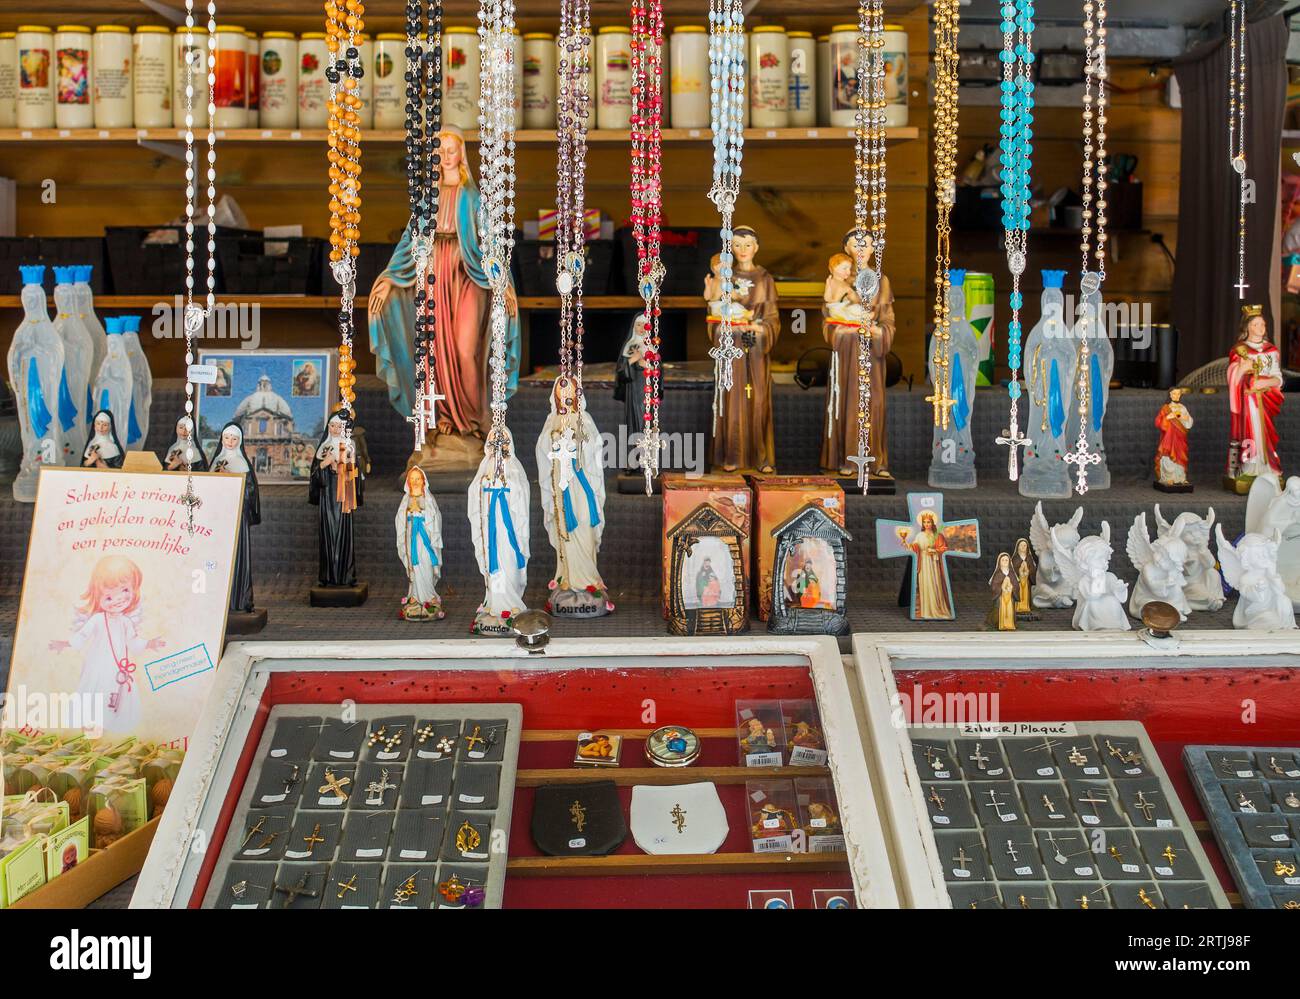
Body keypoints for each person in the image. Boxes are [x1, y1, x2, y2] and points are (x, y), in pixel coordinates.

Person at [367, 124, 520, 451]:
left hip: (469, 276)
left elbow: (492, 244)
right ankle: (443, 422)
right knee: (435, 353)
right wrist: (389, 279)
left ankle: (474, 419)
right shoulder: (427, 200)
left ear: (461, 154)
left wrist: (503, 283)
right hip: (435, 275)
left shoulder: (475, 198)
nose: (447, 157)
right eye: (441, 151)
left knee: (466, 350)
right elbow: (410, 241)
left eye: (452, 150)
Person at [48, 555, 165, 734]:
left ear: (134, 590)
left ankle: (108, 731)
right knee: (94, 694)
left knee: (114, 698)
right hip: (98, 664)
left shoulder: (126, 622)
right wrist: (65, 644)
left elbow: (133, 641)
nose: (119, 599)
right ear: (98, 597)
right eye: (109, 597)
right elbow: (82, 635)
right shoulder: (97, 619)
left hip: (118, 668)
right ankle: (89, 733)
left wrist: (149, 644)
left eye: (125, 590)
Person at [703, 226, 780, 473]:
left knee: (757, 400)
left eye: (748, 244)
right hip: (731, 346)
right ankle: (731, 456)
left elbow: (772, 318)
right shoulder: (724, 275)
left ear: (756, 247)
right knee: (732, 399)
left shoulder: (766, 279)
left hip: (755, 347)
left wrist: (761, 329)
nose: (743, 250)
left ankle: (760, 457)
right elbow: (712, 312)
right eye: (737, 244)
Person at [821, 230, 896, 478]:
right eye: (855, 244)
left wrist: (878, 332)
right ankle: (846, 461)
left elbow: (888, 321)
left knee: (873, 403)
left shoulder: (881, 279)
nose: (862, 248)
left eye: (867, 244)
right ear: (847, 249)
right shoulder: (838, 277)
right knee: (847, 402)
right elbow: (828, 319)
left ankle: (875, 462)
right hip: (847, 354)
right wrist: (842, 330)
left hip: (871, 356)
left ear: (875, 248)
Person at [536, 375, 610, 614]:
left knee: (584, 527)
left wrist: (576, 443)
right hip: (561, 487)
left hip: (581, 484)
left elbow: (594, 450)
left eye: (570, 392)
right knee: (566, 531)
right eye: (561, 392)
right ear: (556, 395)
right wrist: (556, 443)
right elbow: (542, 453)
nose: (566, 396)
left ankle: (588, 578)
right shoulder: (552, 422)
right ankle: (567, 578)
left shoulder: (584, 420)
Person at [1226, 305, 1282, 488]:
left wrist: (1266, 383)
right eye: (1257, 324)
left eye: (1263, 324)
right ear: (1248, 327)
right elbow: (1232, 376)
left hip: (1265, 399)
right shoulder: (1240, 350)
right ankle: (1250, 467)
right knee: (1251, 432)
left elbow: (1277, 376)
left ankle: (1267, 467)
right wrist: (1242, 368)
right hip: (1248, 401)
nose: (1261, 327)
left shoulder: (1271, 350)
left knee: (1266, 434)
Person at [309, 410, 365, 589]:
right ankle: (327, 576)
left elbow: (354, 474)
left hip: (343, 496)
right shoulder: (323, 448)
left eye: (338, 426)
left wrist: (338, 466)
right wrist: (324, 464)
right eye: (331, 425)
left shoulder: (349, 445)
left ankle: (345, 575)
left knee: (343, 533)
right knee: (327, 534)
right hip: (327, 498)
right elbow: (315, 476)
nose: (334, 429)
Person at [210, 422, 261, 614]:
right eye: (227, 438)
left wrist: (231, 477)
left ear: (239, 441)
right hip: (219, 516)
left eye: (234, 439)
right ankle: (218, 601)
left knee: (237, 557)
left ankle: (239, 600)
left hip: (237, 516)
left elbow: (250, 493)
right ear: (221, 439)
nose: (230, 442)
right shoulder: (216, 461)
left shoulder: (242, 463)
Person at [395, 466, 444, 620]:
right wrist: (409, 516)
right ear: (408, 482)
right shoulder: (405, 501)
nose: (415, 482)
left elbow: (436, 520)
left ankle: (429, 597)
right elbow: (400, 521)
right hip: (412, 539)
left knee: (426, 564)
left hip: (426, 540)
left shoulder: (429, 500)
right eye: (412, 479)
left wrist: (422, 515)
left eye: (418, 479)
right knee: (414, 567)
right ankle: (415, 597)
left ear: (424, 481)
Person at [903, 511, 952, 619]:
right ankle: (926, 610)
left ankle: (937, 608)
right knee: (925, 583)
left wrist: (935, 551)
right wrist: (906, 543)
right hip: (924, 563)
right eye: (924, 522)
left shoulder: (937, 535)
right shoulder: (919, 535)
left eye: (928, 522)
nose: (926, 524)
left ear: (932, 522)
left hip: (934, 563)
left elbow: (944, 548)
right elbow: (915, 547)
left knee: (935, 584)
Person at [1154, 387, 1193, 488]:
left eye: (1178, 394)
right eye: (1174, 394)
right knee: (1168, 455)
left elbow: (1189, 422)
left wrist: (1185, 418)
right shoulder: (1166, 408)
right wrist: (1167, 418)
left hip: (1180, 437)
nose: (1176, 396)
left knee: (1180, 456)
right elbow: (1158, 422)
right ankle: (1168, 477)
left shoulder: (1183, 408)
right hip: (1169, 437)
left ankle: (1180, 477)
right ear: (1170, 395)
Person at [986, 552, 1017, 631]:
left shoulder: (1011, 574)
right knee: (998, 606)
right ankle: (999, 623)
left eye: (1006, 560)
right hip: (1000, 597)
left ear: (1009, 562)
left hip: (1010, 597)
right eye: (1003, 560)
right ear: (999, 562)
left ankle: (1010, 624)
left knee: (1011, 609)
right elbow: (993, 586)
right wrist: (1001, 588)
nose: (1005, 562)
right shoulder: (998, 574)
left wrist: (1012, 588)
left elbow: (1016, 585)